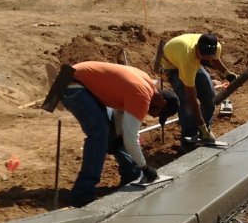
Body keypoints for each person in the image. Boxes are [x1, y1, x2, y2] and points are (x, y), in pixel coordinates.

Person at [60, 61, 178, 207]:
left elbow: (120, 115)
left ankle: (131, 176)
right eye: (160, 113)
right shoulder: (142, 95)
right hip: (73, 84)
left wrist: (116, 136)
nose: (154, 116)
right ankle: (82, 194)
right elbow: (131, 138)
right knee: (99, 134)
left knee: (115, 133)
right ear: (162, 103)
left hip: (81, 83)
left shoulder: (146, 85)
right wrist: (145, 168)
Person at [154, 33, 237, 147]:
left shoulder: (215, 47)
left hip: (190, 59)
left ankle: (204, 132)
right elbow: (191, 97)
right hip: (172, 65)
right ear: (197, 48)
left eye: (208, 57)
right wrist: (200, 124)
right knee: (186, 103)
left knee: (210, 97)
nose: (206, 59)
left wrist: (227, 73)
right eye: (203, 56)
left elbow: (215, 60)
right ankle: (189, 140)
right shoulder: (188, 59)